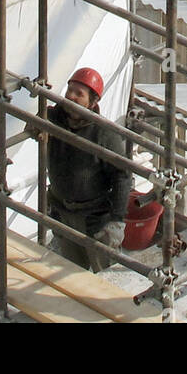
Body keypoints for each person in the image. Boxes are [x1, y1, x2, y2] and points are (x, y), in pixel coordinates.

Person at [38, 68, 131, 272]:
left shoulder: (104, 133)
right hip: (63, 211)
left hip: (95, 219)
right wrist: (38, 123)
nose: (71, 96)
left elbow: (122, 176)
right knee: (71, 273)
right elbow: (36, 123)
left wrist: (117, 219)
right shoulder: (55, 118)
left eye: (79, 94)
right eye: (70, 90)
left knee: (106, 278)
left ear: (93, 102)